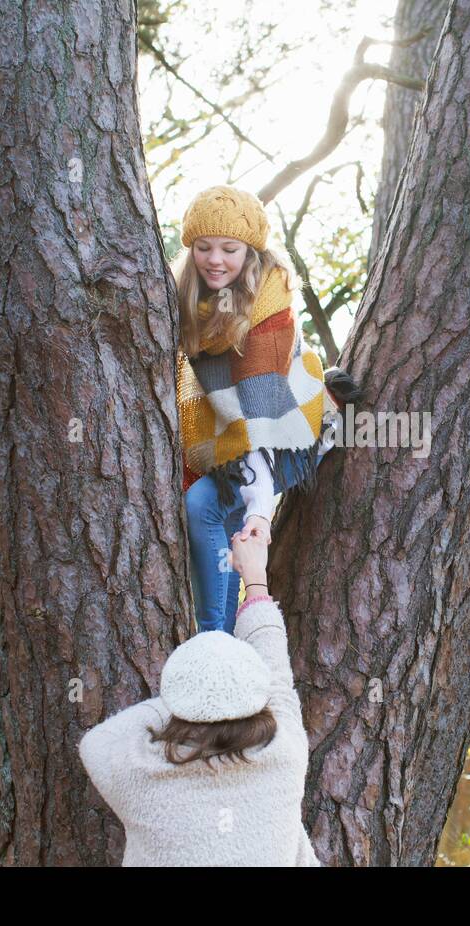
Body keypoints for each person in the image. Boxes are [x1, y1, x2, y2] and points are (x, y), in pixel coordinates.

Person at [173, 184, 361, 633]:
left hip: (290, 433)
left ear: (251, 250)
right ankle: (221, 629)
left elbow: (261, 424)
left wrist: (260, 511)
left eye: (229, 248)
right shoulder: (189, 301)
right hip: (235, 433)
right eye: (204, 247)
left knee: (203, 505)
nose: (215, 259)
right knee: (206, 510)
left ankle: (214, 636)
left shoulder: (267, 311)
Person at [77, 525, 321, 866]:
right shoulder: (285, 753)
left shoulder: (143, 773)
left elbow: (96, 742)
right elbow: (277, 674)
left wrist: (181, 696)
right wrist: (254, 578)